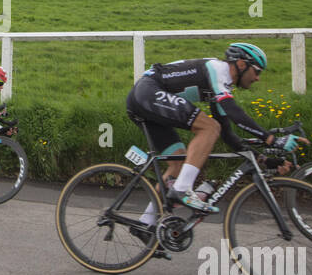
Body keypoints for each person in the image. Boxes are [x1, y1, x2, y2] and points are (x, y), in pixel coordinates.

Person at [125, 42, 300, 226]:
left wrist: (263, 159)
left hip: (144, 100)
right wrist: (271, 139)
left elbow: (228, 136)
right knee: (209, 127)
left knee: (178, 162)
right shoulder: (218, 69)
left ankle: (146, 224)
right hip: (148, 92)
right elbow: (234, 113)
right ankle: (183, 189)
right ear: (241, 64)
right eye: (257, 71)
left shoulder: (219, 87)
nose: (258, 78)